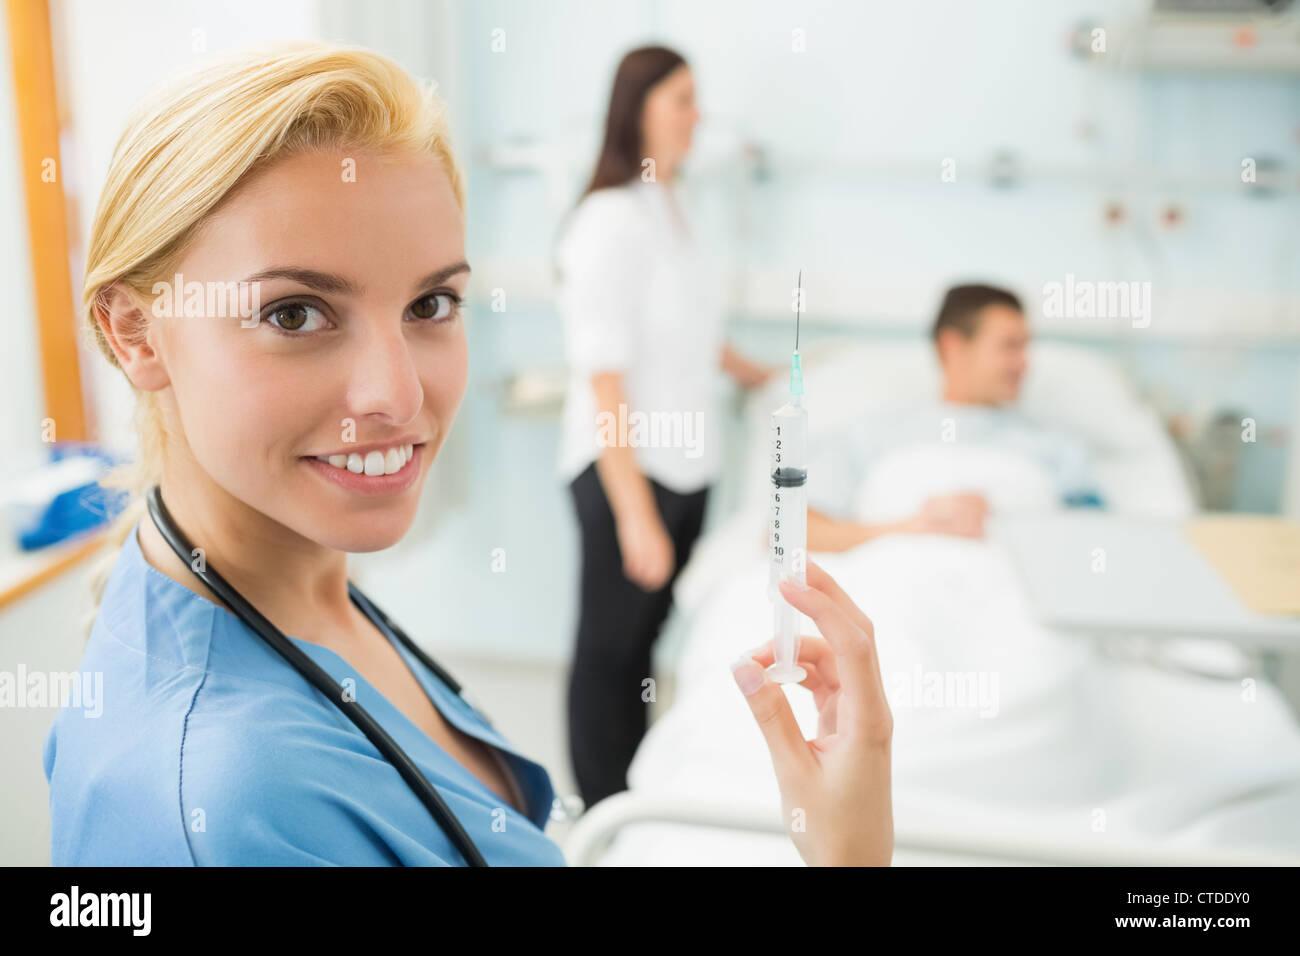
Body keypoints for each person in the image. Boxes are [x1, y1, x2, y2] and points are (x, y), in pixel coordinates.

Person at [43, 41, 892, 867]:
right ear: (133, 332)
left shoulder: (312, 593)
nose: (401, 396)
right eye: (295, 314)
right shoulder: (218, 804)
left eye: (431, 303)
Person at [555, 46, 774, 809]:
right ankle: (605, 816)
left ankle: (635, 803)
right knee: (610, 654)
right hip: (627, 470)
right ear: (639, 108)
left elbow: (687, 332)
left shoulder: (672, 207)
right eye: (681, 99)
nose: (696, 115)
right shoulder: (608, 220)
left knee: (644, 647)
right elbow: (604, 376)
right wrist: (635, 513)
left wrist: (763, 376)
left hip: (688, 465)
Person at [807, 284, 1104, 552]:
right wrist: (909, 529)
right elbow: (796, 534)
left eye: (1025, 347)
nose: (1025, 363)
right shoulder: (869, 435)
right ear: (953, 347)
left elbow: (1097, 543)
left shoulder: (1057, 447)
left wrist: (1003, 528)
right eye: (1010, 346)